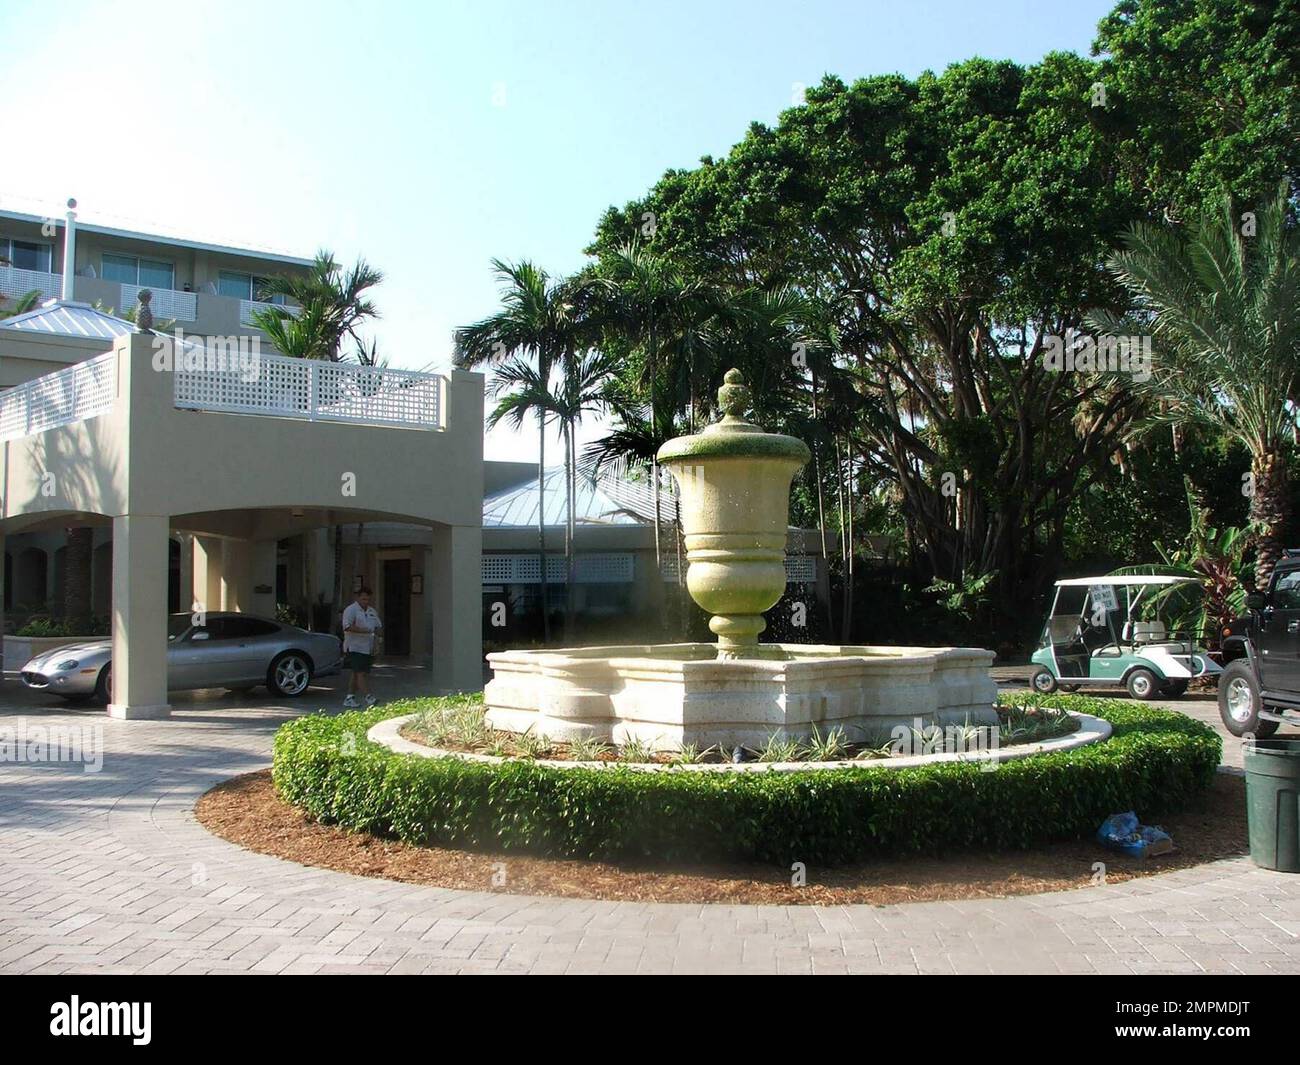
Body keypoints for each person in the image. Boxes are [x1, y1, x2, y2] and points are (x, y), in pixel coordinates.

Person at [341, 586, 382, 708]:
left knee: (356, 673)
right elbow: (347, 626)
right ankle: (369, 697)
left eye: (368, 599)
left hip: (367, 647)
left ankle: (349, 697)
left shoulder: (371, 611)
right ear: (358, 598)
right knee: (361, 673)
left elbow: (377, 627)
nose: (366, 602)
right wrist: (363, 631)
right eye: (363, 599)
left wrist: (377, 642)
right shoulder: (351, 610)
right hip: (354, 647)